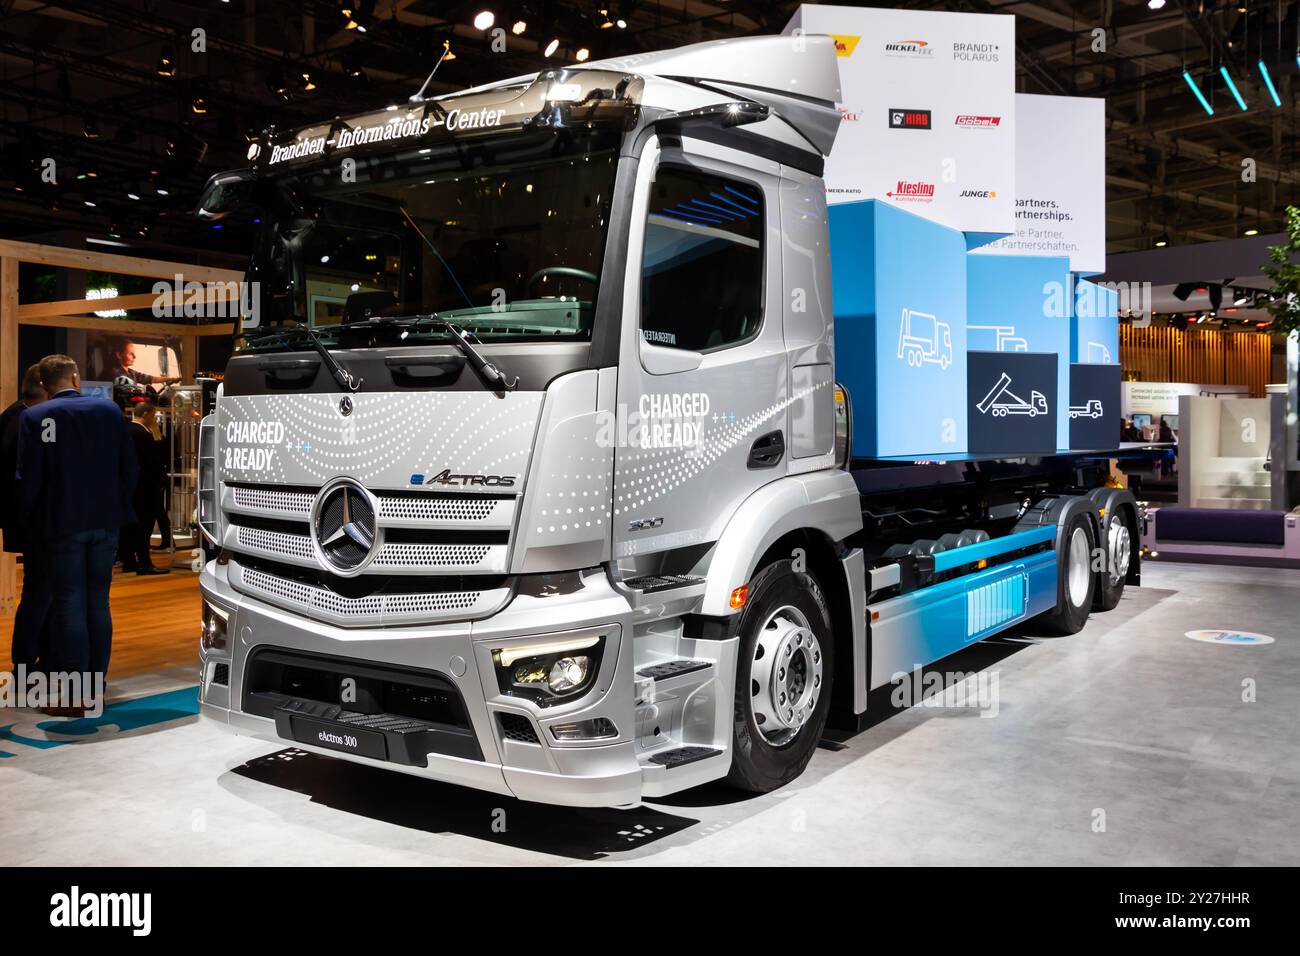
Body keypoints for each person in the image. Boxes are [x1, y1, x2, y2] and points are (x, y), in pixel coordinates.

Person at [17, 355, 138, 713]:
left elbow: (29, 481)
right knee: (97, 602)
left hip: (60, 523)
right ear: (75, 376)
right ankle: (95, 684)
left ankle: (76, 693)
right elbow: (129, 468)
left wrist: (30, 522)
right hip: (106, 521)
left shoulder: (35, 417)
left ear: (42, 382)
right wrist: (115, 505)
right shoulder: (109, 412)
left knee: (69, 603)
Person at [1, 364, 49, 670]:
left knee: (38, 592)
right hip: (35, 522)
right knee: (39, 593)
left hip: (25, 520)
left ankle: (29, 659)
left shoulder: (12, 415)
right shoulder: (29, 420)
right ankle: (26, 661)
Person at [126, 402, 170, 576]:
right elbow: (153, 463)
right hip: (146, 487)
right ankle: (144, 562)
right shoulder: (144, 434)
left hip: (132, 487)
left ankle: (129, 560)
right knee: (145, 525)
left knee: (131, 525)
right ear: (146, 413)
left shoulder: (126, 430)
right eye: (153, 415)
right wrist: (161, 481)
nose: (154, 419)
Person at [103, 336, 180, 388]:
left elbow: (150, 379)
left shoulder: (131, 373)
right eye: (130, 354)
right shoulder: (114, 374)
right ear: (119, 355)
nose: (134, 357)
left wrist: (171, 379)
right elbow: (130, 389)